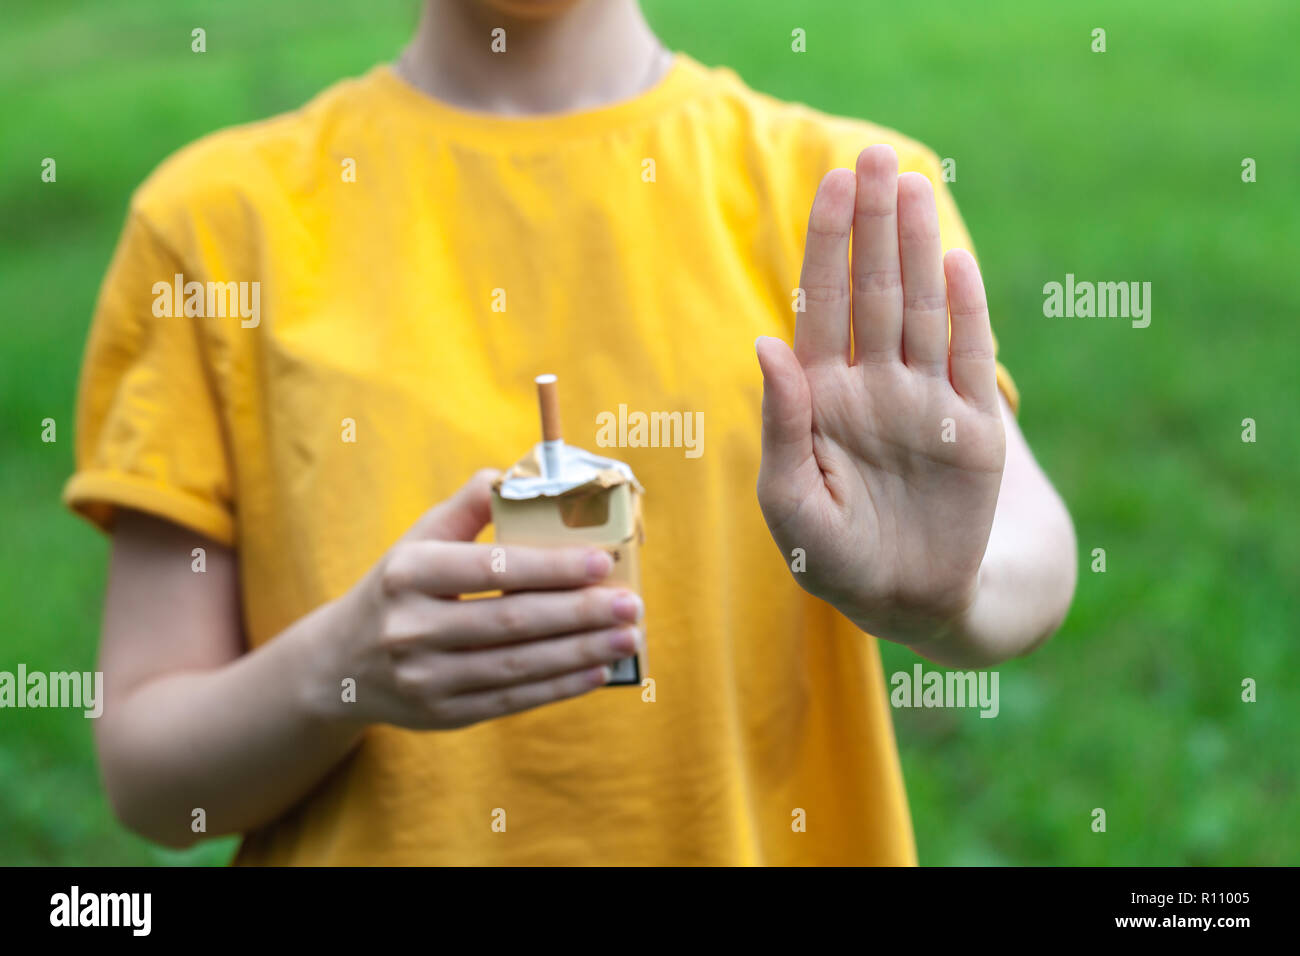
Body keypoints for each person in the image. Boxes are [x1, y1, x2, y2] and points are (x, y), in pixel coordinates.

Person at [65, 0, 1076, 865]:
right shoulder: (212, 226)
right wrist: (342, 667)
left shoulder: (842, 196)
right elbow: (153, 774)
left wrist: (949, 588)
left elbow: (1031, 552)